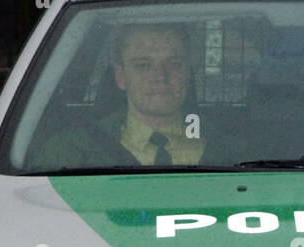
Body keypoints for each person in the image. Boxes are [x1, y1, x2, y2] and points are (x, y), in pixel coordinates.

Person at [30, 23, 205, 170]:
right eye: (143, 65)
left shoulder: (226, 147)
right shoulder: (67, 151)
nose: (160, 77)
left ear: (188, 73)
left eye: (174, 65)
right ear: (120, 76)